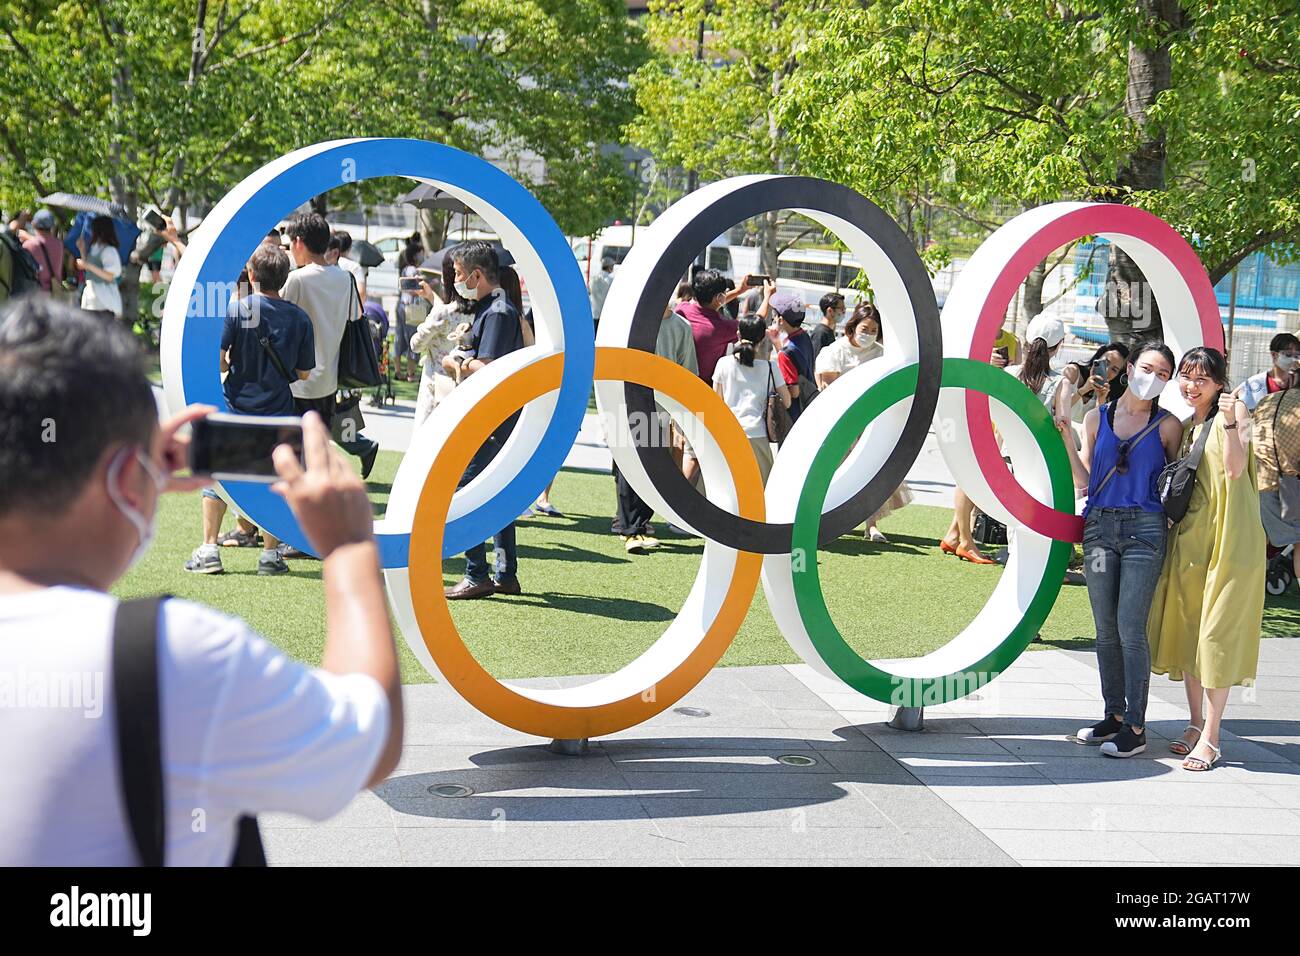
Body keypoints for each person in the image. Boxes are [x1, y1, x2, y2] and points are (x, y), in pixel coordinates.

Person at [0, 298, 402, 865]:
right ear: (127, 478)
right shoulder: (173, 655)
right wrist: (349, 548)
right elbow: (369, 742)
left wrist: (128, 481)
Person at [1058, 341, 1182, 757]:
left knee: (1130, 625)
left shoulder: (1168, 426)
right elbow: (1085, 478)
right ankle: (1112, 715)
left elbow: (1174, 483)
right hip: (1099, 529)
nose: (1153, 379)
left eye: (1163, 374)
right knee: (1105, 627)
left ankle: (1136, 726)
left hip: (1145, 531)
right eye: (1147, 369)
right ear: (1128, 369)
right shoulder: (1097, 417)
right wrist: (1066, 437)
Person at [1147, 347, 1265, 771]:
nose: (1192, 385)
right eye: (1186, 376)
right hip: (1191, 542)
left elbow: (1235, 469)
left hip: (1231, 541)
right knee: (1190, 633)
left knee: (1216, 635)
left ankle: (1212, 738)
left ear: (1219, 383)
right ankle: (1195, 724)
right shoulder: (1185, 427)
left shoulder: (1238, 415)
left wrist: (1231, 420)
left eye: (1202, 379)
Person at [185, 244, 315, 576]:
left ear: (252, 275)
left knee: (217, 476)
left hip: (236, 406)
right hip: (279, 410)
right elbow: (303, 373)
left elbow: (219, 361)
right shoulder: (300, 318)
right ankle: (270, 555)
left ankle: (209, 550)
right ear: (284, 277)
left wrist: (233, 361)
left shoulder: (237, 309)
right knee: (274, 481)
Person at [444, 241, 525, 600]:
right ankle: (504, 573)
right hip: (498, 417)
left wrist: (458, 361)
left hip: (492, 419)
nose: (456, 280)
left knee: (465, 490)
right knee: (498, 495)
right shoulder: (496, 308)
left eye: (459, 274)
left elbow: (488, 368)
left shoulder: (496, 311)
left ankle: (476, 573)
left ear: (476, 275)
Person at [712, 316, 790, 486]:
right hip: (758, 435)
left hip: (728, 435)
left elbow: (716, 402)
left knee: (731, 489)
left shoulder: (723, 364)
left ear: (738, 334)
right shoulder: (770, 368)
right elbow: (787, 401)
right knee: (761, 490)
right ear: (762, 339)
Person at [1252, 362, 1300, 586]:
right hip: (1286, 487)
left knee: (1258, 539)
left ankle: (1249, 593)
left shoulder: (1267, 401)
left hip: (1255, 480)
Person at [409, 252, 469, 425]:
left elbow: (416, 345)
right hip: (463, 389)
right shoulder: (477, 311)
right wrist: (431, 297)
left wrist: (428, 317)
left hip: (435, 388)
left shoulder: (443, 313)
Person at [769, 290, 817, 422]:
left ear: (780, 320)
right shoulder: (804, 336)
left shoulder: (786, 353)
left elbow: (794, 392)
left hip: (795, 415)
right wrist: (777, 343)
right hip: (809, 405)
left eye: (774, 316)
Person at [815, 301, 883, 389]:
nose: (868, 334)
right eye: (864, 329)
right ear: (854, 326)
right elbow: (829, 389)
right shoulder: (834, 352)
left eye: (873, 330)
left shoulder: (881, 352)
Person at [75, 215, 122, 320]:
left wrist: (87, 265)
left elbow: (110, 275)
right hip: (91, 298)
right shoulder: (95, 247)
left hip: (104, 300)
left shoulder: (109, 251)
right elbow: (90, 269)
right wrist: (82, 250)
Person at [1238, 332, 1300, 412]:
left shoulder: (1297, 380)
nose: (1293, 359)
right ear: (1274, 355)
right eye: (1288, 354)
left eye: (1297, 356)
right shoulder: (1256, 382)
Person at [393, 241, 426, 382]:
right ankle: (411, 374)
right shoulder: (414, 270)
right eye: (421, 253)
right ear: (415, 255)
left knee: (399, 338)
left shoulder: (405, 269)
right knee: (413, 338)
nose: (423, 256)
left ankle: (398, 371)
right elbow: (412, 289)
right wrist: (426, 287)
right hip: (411, 309)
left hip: (401, 306)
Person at [22, 209, 64, 296]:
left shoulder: (28, 245)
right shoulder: (59, 244)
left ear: (34, 224)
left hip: (35, 294)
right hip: (54, 292)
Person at [809, 292, 844, 362]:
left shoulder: (828, 331)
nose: (844, 311)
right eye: (841, 308)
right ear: (830, 311)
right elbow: (815, 361)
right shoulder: (821, 333)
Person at [589, 255, 615, 325]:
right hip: (605, 315)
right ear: (609, 267)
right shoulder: (611, 281)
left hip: (594, 314)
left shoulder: (593, 279)